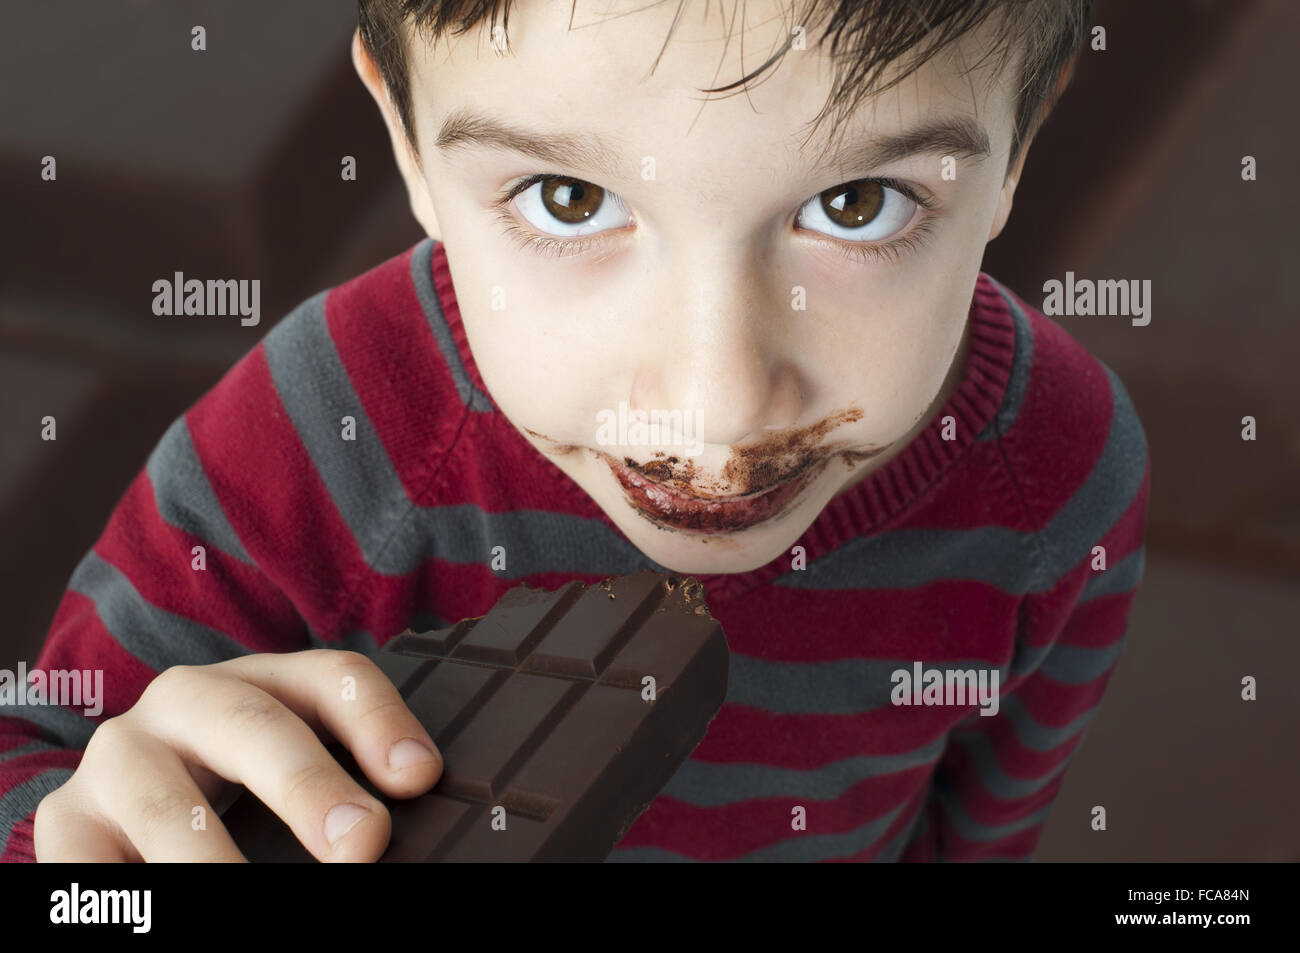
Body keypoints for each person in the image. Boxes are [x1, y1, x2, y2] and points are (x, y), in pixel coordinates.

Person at [3, 0, 1149, 862]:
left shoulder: (1061, 476)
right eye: (567, 198)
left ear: (1019, 147)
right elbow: (40, 766)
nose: (716, 410)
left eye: (855, 204)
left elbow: (981, 834)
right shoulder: (323, 431)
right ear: (406, 140)